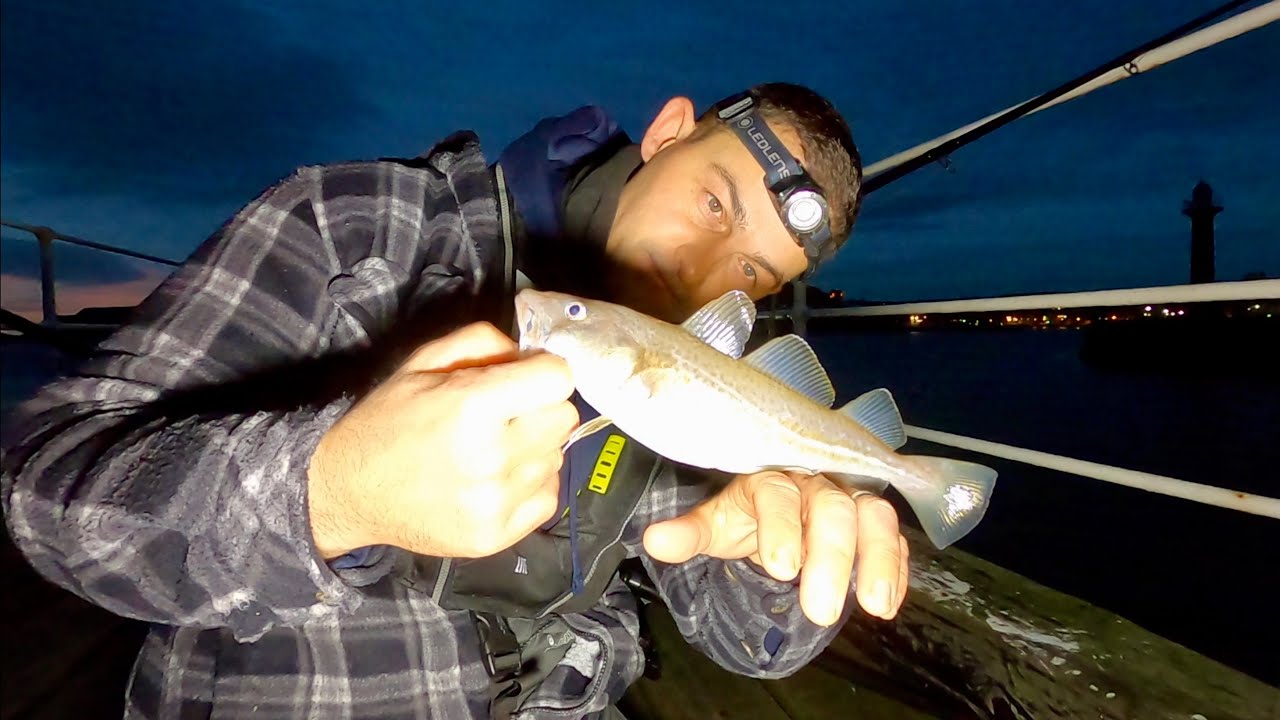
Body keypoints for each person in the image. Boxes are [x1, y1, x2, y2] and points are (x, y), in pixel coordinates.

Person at [1, 82, 909, 720]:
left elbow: (745, 638)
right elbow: (46, 491)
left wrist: (781, 566)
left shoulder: (700, 377)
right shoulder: (361, 223)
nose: (705, 269)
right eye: (717, 204)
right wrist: (328, 494)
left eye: (753, 271)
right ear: (669, 132)